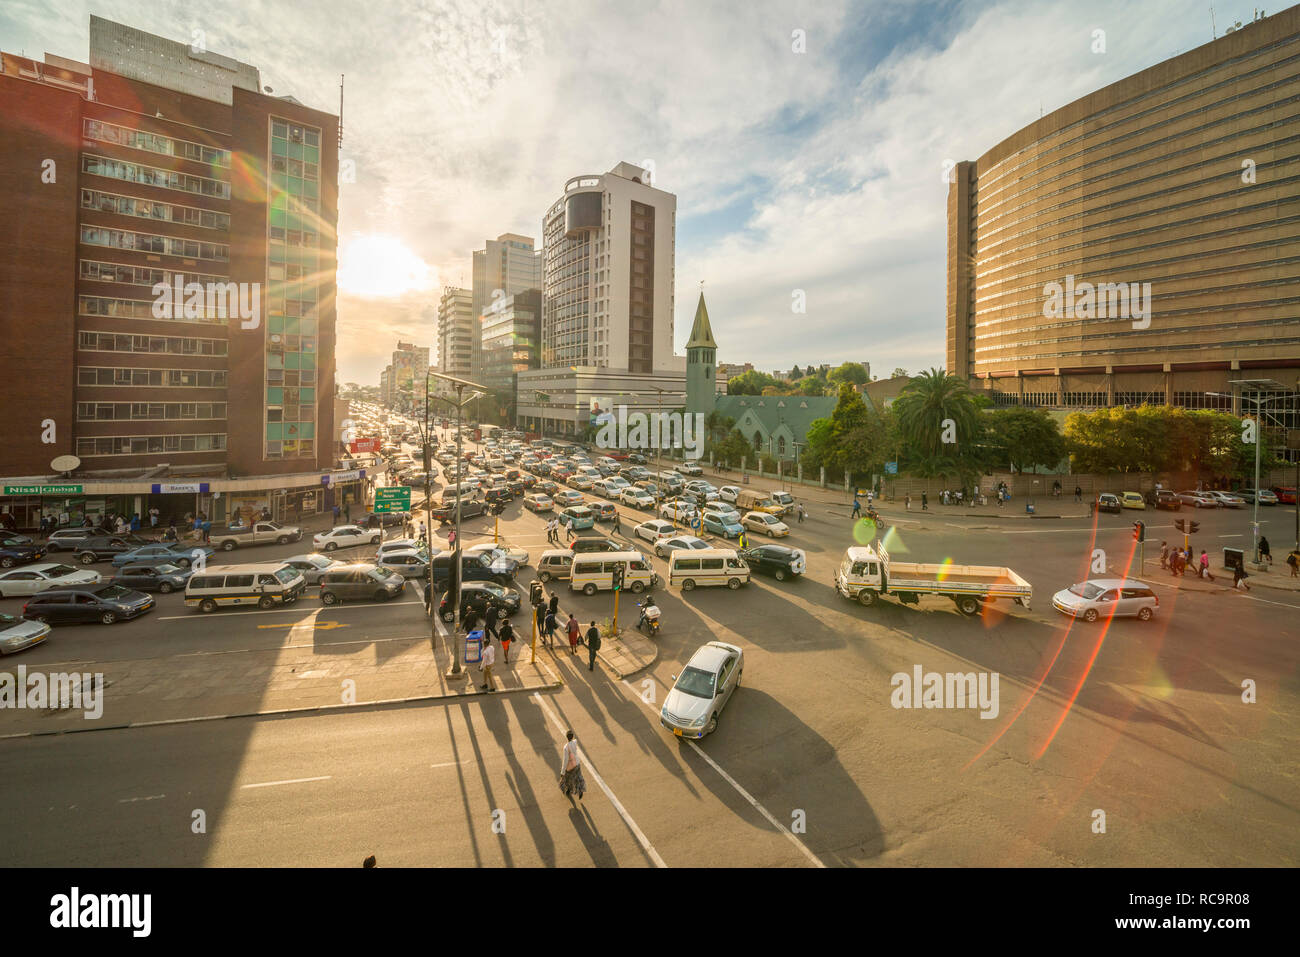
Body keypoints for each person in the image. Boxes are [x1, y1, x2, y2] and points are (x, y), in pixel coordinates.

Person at [559, 730, 585, 801]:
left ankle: (568, 789)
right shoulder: (575, 742)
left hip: (570, 766)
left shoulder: (566, 748)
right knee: (578, 777)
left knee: (567, 778)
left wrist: (562, 772)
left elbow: (565, 760)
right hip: (577, 763)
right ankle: (580, 790)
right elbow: (575, 741)